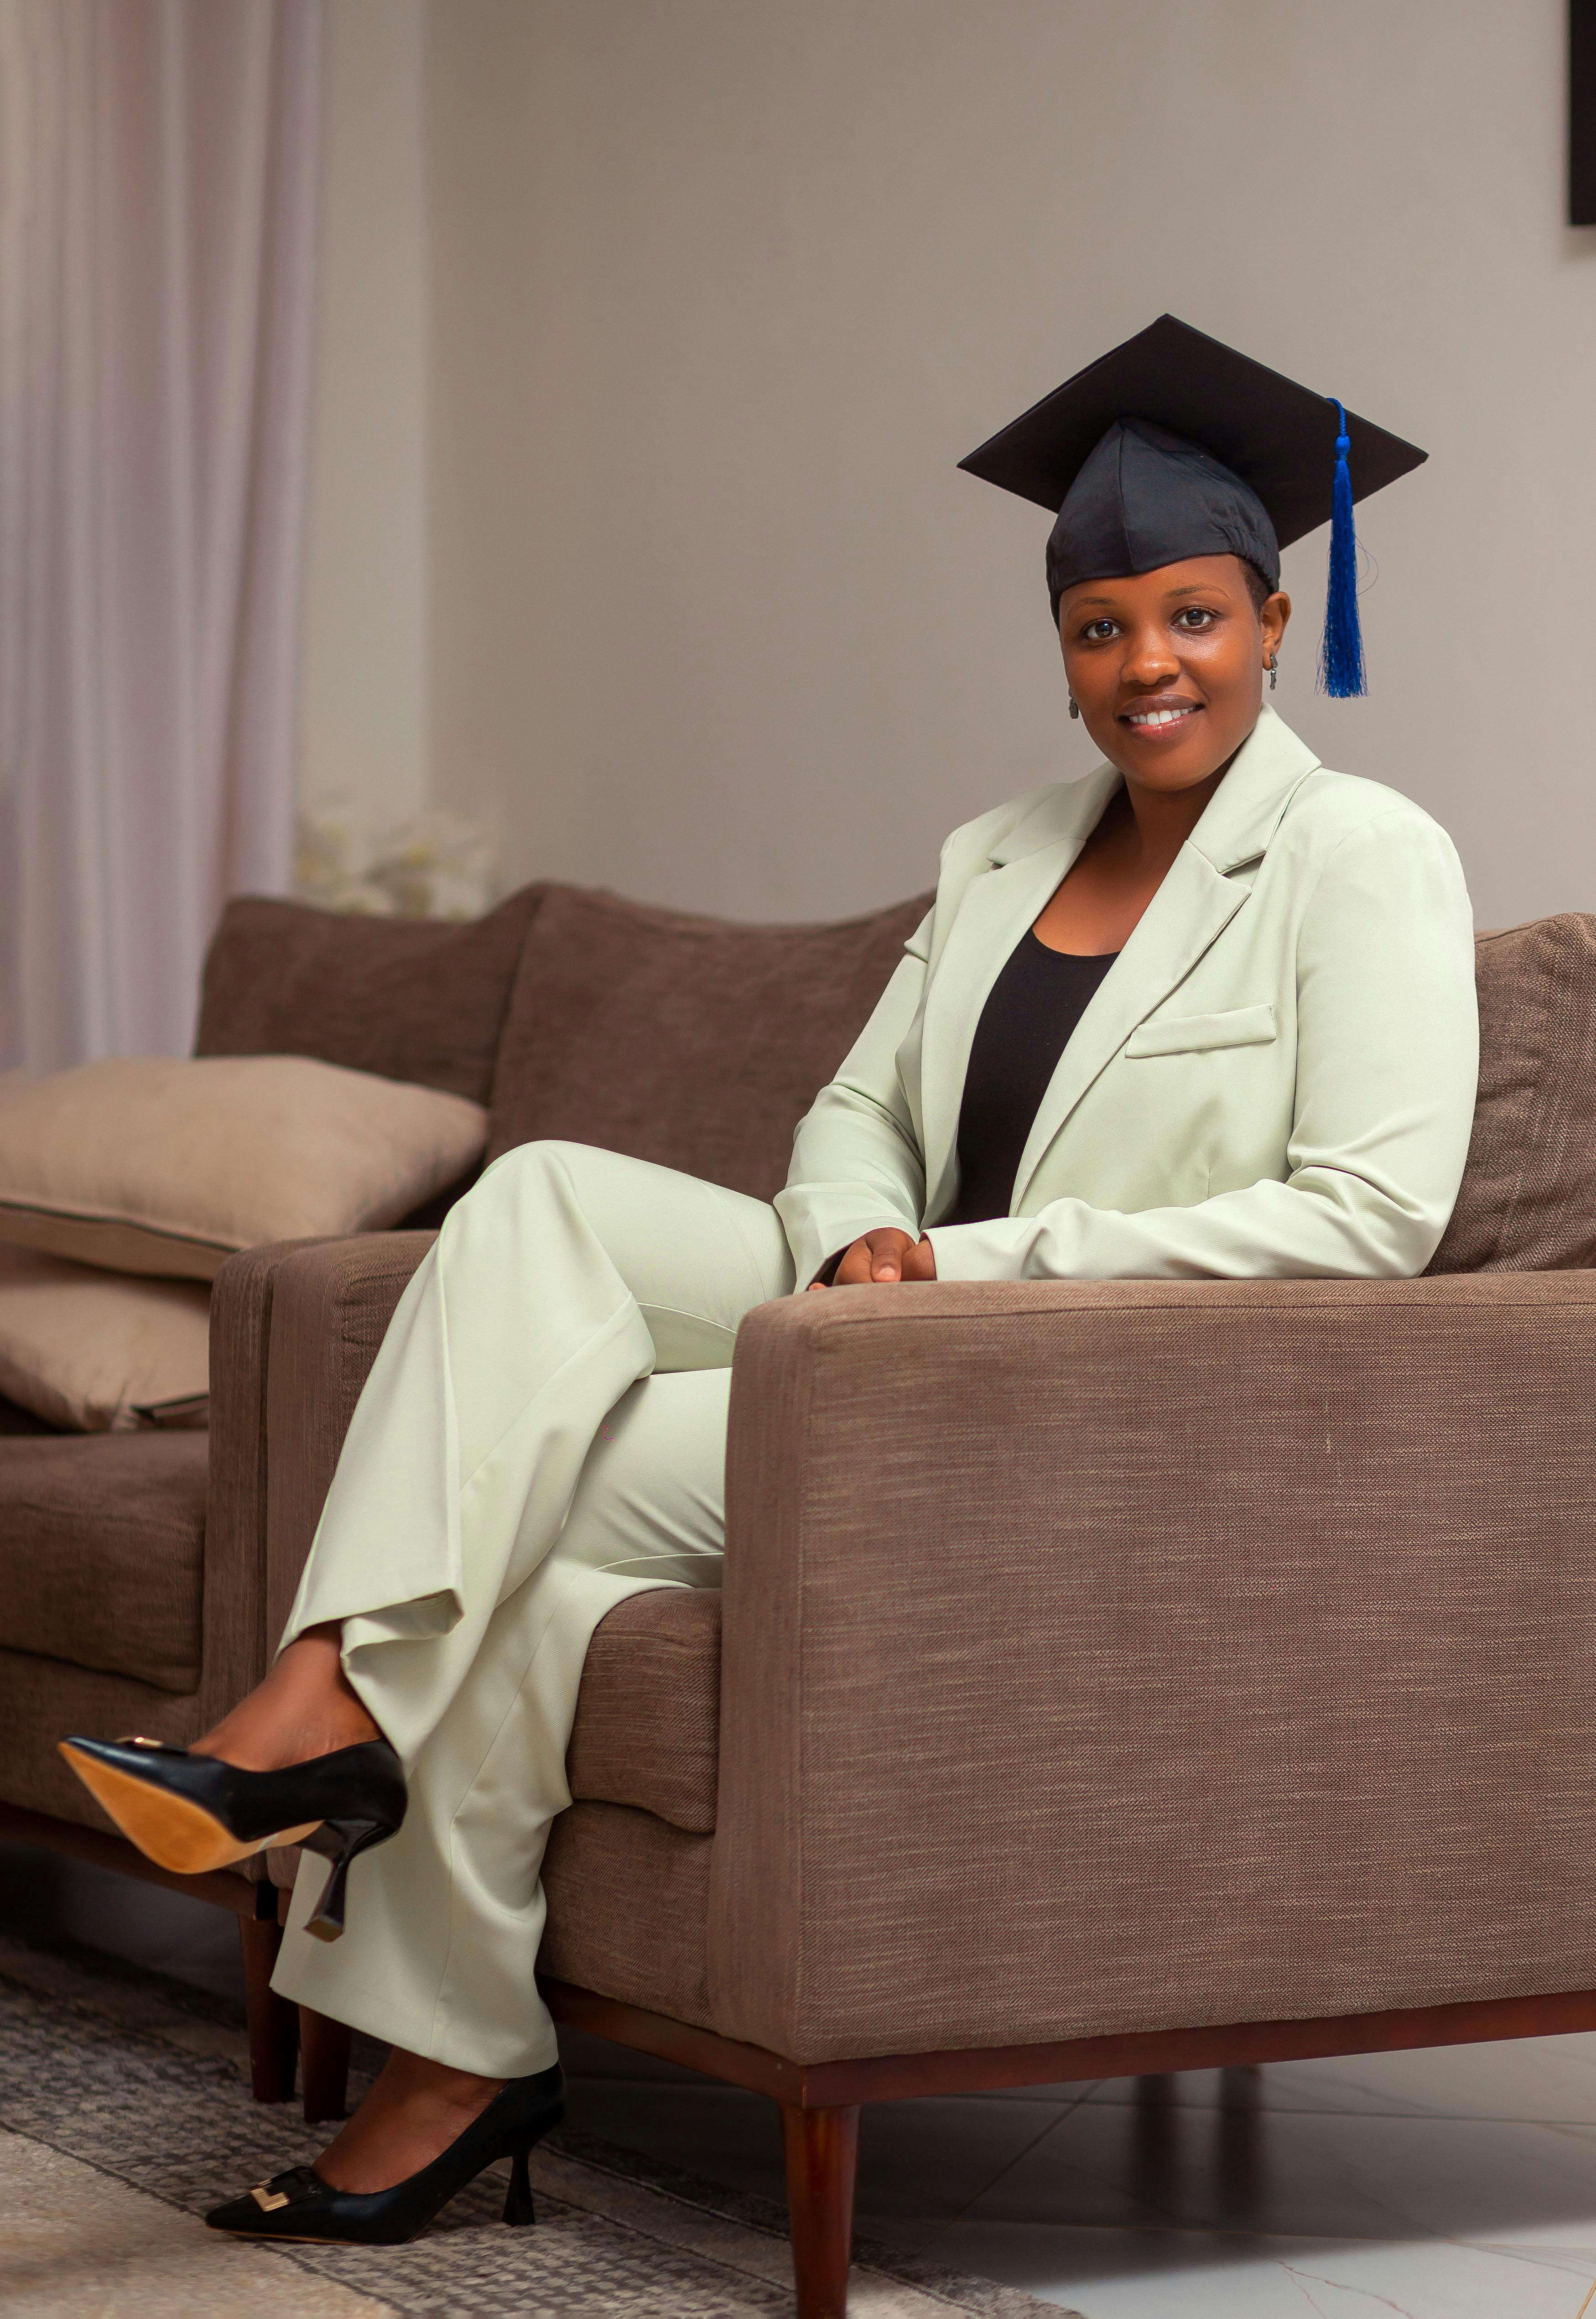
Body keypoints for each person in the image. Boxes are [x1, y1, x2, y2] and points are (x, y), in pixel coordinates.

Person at [59, 316, 1479, 2244]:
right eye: (1100, 627)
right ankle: (336, 1742)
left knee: (550, 1494)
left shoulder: (1356, 854)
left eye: (1192, 618)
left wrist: (954, 1270)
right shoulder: (995, 856)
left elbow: (1366, 1214)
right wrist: (848, 1242)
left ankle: (381, 1882)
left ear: (1274, 620)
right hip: (866, 1330)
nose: (1148, 664)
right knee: (546, 1202)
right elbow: (845, 1115)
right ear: (1060, 654)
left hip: (1062, 1388)